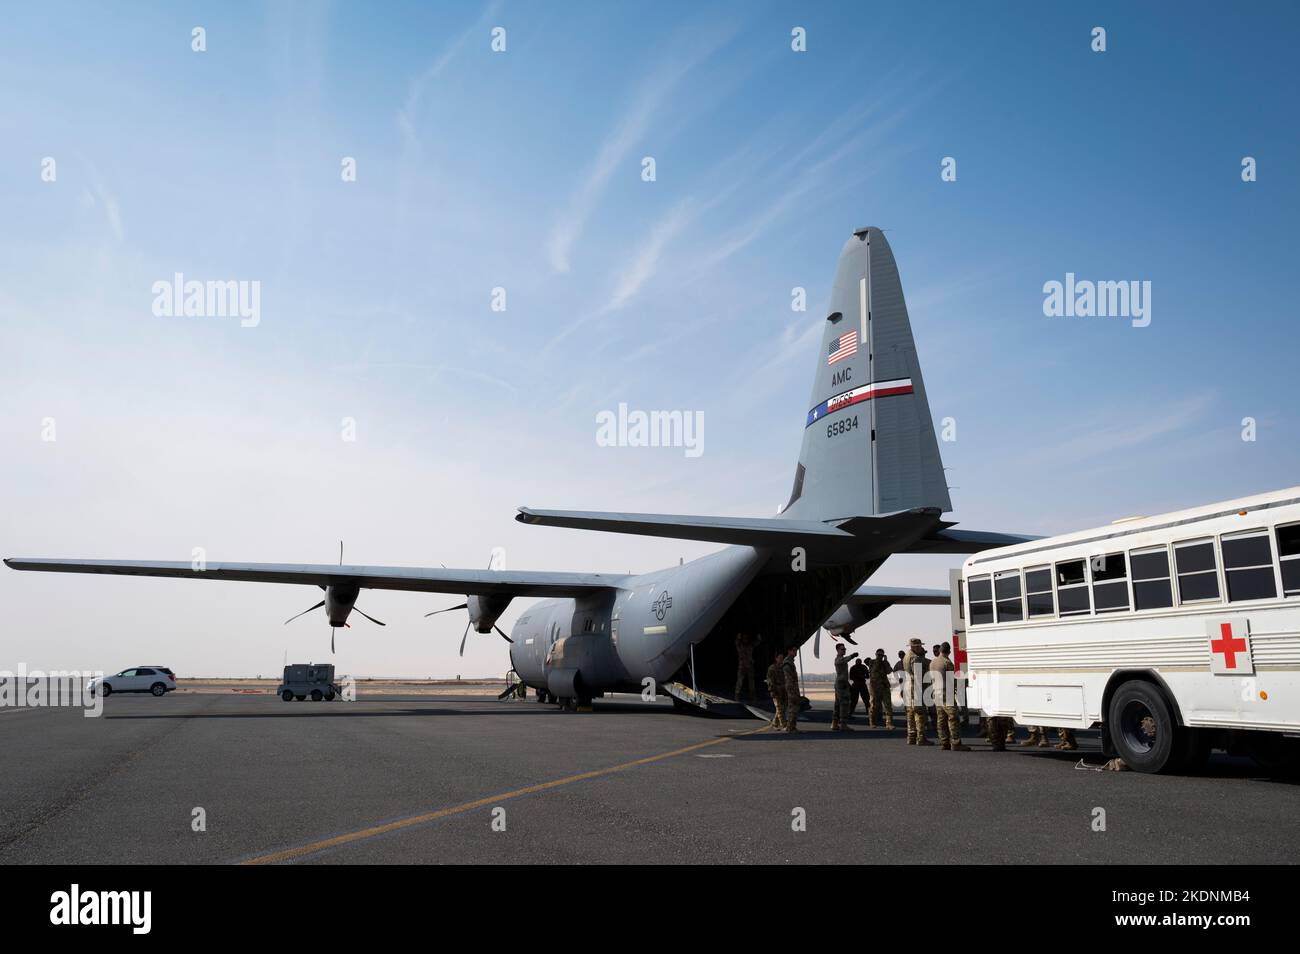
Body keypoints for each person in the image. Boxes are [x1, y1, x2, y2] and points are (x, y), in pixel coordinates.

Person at [930, 642, 969, 751]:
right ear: (949, 651)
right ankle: (956, 743)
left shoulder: (932, 662)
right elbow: (951, 680)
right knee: (953, 718)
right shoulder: (947, 662)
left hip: (936, 693)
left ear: (940, 650)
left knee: (941, 719)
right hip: (947, 694)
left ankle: (944, 742)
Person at [902, 638, 932, 746]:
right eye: (919, 646)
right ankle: (921, 738)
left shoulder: (906, 656)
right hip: (916, 689)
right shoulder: (916, 659)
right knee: (920, 714)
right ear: (914, 647)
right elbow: (918, 677)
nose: (921, 648)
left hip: (908, 689)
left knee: (910, 714)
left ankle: (911, 737)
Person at [831, 644, 859, 731]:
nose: (844, 650)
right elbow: (842, 661)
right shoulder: (838, 659)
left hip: (843, 683)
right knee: (844, 703)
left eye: (844, 649)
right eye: (842, 649)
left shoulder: (841, 659)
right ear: (837, 650)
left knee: (838, 704)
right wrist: (852, 656)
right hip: (841, 684)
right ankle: (843, 724)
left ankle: (834, 723)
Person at [868, 648, 894, 728]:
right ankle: (872, 722)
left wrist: (885, 661)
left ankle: (889, 723)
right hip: (874, 687)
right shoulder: (872, 662)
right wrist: (878, 660)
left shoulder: (884, 663)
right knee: (874, 706)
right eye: (879, 655)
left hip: (884, 686)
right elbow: (874, 670)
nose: (880, 657)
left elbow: (889, 671)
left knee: (888, 705)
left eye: (881, 655)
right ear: (876, 654)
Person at [781, 649, 802, 733]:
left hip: (793, 687)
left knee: (794, 707)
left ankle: (792, 727)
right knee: (793, 707)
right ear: (789, 651)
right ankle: (790, 727)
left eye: (796, 650)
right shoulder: (787, 662)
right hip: (791, 688)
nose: (795, 652)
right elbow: (789, 677)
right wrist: (793, 688)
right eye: (793, 650)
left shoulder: (790, 662)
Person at [764, 650, 786, 729]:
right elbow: (770, 681)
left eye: (782, 658)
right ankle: (784, 725)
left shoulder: (784, 668)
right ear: (776, 658)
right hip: (776, 691)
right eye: (779, 658)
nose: (781, 659)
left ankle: (774, 723)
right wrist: (772, 691)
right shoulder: (772, 668)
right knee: (779, 708)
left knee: (780, 708)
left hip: (783, 691)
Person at [734, 631, 758, 701]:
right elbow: (736, 642)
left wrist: (759, 638)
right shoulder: (740, 645)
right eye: (744, 638)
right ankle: (737, 695)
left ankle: (753, 696)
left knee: (751, 682)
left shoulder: (750, 645)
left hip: (750, 666)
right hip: (742, 666)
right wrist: (738, 637)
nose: (745, 639)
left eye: (746, 638)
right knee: (739, 682)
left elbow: (756, 643)